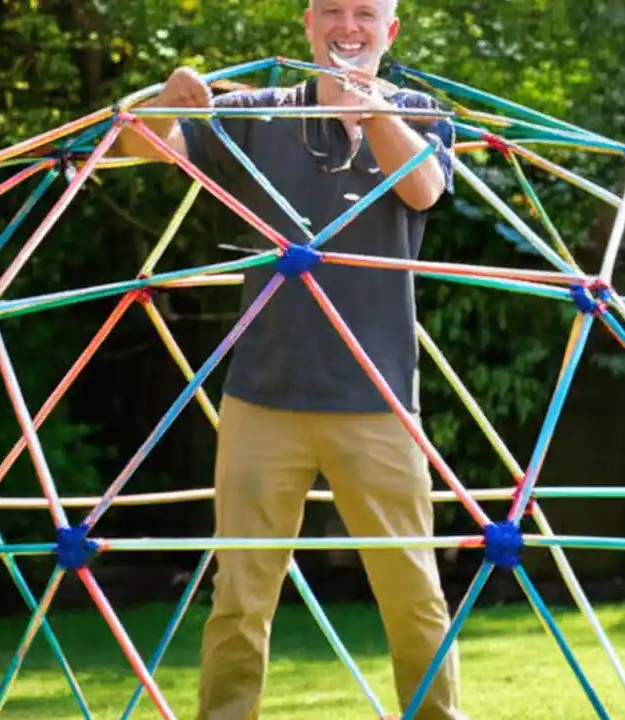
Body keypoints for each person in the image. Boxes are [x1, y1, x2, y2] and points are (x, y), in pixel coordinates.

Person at [114, 2, 464, 718]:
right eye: (332, 11)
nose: (348, 27)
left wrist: (372, 114)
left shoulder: (418, 112)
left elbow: (424, 188)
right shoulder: (259, 113)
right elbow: (141, 145)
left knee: (413, 592)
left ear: (389, 31)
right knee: (240, 594)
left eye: (366, 14)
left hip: (378, 402)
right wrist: (164, 99)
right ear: (308, 24)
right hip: (263, 398)